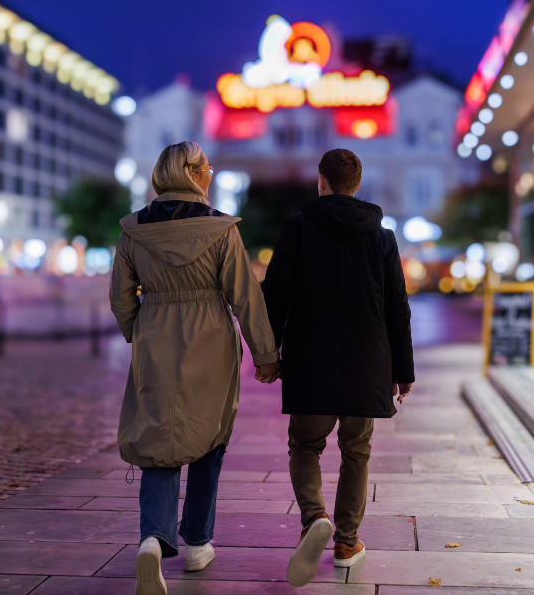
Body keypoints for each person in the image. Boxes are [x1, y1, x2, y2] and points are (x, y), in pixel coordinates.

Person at [110, 141, 280, 595]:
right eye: (207, 166)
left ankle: (153, 537)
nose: (211, 172)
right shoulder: (220, 230)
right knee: (210, 436)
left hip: (156, 337)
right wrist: (265, 354)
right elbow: (245, 295)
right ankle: (199, 543)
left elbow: (120, 298)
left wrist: (138, 331)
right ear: (191, 173)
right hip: (211, 338)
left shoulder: (133, 230)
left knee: (157, 433)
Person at [262, 148, 414, 585]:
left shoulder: (298, 228)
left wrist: (267, 355)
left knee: (306, 446)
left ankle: (314, 520)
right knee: (356, 450)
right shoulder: (382, 237)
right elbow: (396, 308)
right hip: (368, 363)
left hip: (312, 359)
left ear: (321, 181)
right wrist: (403, 370)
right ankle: (347, 542)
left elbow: (276, 296)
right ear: (357, 185)